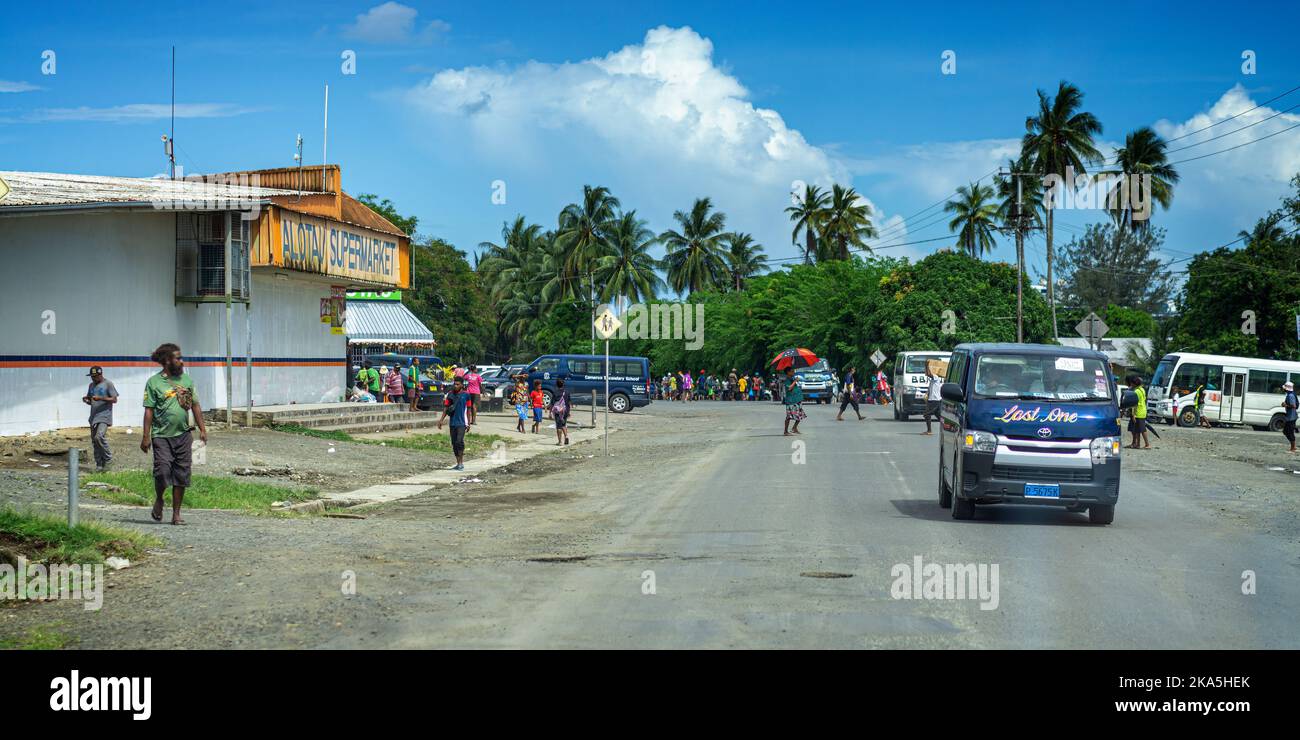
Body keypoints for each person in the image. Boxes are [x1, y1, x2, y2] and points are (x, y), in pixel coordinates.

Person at [140, 342, 206, 526]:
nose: (182, 361)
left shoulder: (187, 381)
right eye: (178, 358)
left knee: (181, 474)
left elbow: (195, 406)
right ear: (168, 360)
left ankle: (176, 514)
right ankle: (159, 499)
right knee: (162, 471)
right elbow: (149, 411)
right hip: (161, 435)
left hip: (184, 435)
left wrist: (203, 429)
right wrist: (146, 436)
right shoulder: (153, 383)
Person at [83, 366, 119, 472]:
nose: (93, 379)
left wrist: (101, 398)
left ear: (100, 374)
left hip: (104, 415)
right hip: (93, 416)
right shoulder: (91, 385)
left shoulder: (108, 384)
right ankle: (99, 465)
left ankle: (108, 459)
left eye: (95, 376)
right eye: (91, 377)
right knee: (94, 441)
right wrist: (86, 400)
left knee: (99, 437)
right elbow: (91, 400)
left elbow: (114, 399)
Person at [435, 376, 472, 471]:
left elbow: (468, 409)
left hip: (462, 423)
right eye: (454, 384)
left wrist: (469, 422)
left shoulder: (466, 395)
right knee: (454, 443)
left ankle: (461, 462)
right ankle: (458, 462)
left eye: (457, 384)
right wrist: (441, 420)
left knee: (459, 441)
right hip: (452, 423)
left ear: (462, 385)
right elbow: (446, 408)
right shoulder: (450, 395)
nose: (455, 386)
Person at [1127, 374, 1151, 449]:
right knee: (1137, 430)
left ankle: (1147, 444)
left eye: (1132, 383)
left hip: (1138, 412)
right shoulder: (1142, 389)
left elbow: (1134, 404)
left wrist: (1133, 414)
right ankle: (1138, 444)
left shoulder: (1136, 391)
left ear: (1134, 384)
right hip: (1143, 410)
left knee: (1142, 429)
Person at [782, 367, 805, 435]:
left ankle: (794, 428)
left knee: (799, 415)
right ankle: (785, 431)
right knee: (789, 416)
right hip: (791, 400)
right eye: (792, 371)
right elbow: (789, 388)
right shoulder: (787, 380)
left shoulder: (792, 379)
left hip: (797, 399)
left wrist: (795, 381)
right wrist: (795, 381)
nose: (793, 372)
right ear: (788, 372)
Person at [922, 363, 943, 435]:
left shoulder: (936, 377)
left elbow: (928, 374)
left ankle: (929, 431)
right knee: (939, 415)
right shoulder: (934, 379)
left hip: (934, 400)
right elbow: (931, 387)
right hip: (935, 399)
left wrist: (926, 365)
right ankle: (948, 426)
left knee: (926, 414)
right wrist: (927, 394)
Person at [550, 377, 572, 445]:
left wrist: (550, 412)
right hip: (565, 411)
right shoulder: (567, 392)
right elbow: (569, 402)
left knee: (559, 426)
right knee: (564, 424)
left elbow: (552, 404)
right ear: (563, 384)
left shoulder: (555, 392)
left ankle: (560, 441)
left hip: (558, 412)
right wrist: (569, 412)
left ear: (557, 384)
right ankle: (566, 436)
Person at [1283, 381, 1298, 453]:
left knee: (1288, 431)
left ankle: (1293, 448)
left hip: (1291, 417)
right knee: (1287, 431)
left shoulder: (1290, 396)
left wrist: (1285, 405)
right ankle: (1293, 447)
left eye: (1284, 388)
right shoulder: (1290, 395)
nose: (1283, 389)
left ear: (1287, 389)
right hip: (1290, 416)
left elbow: (1294, 406)